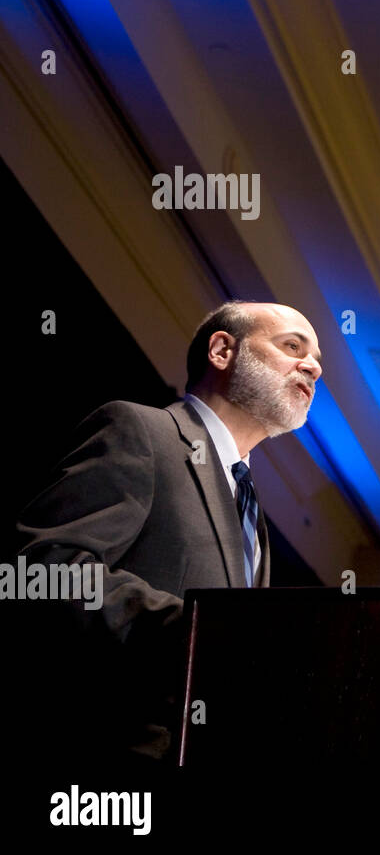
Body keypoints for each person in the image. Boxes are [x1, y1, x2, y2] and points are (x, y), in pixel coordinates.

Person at [8, 300, 323, 763]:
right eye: (292, 346)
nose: (313, 367)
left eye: (317, 361)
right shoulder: (142, 431)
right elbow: (42, 567)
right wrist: (195, 626)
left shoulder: (253, 508)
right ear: (221, 351)